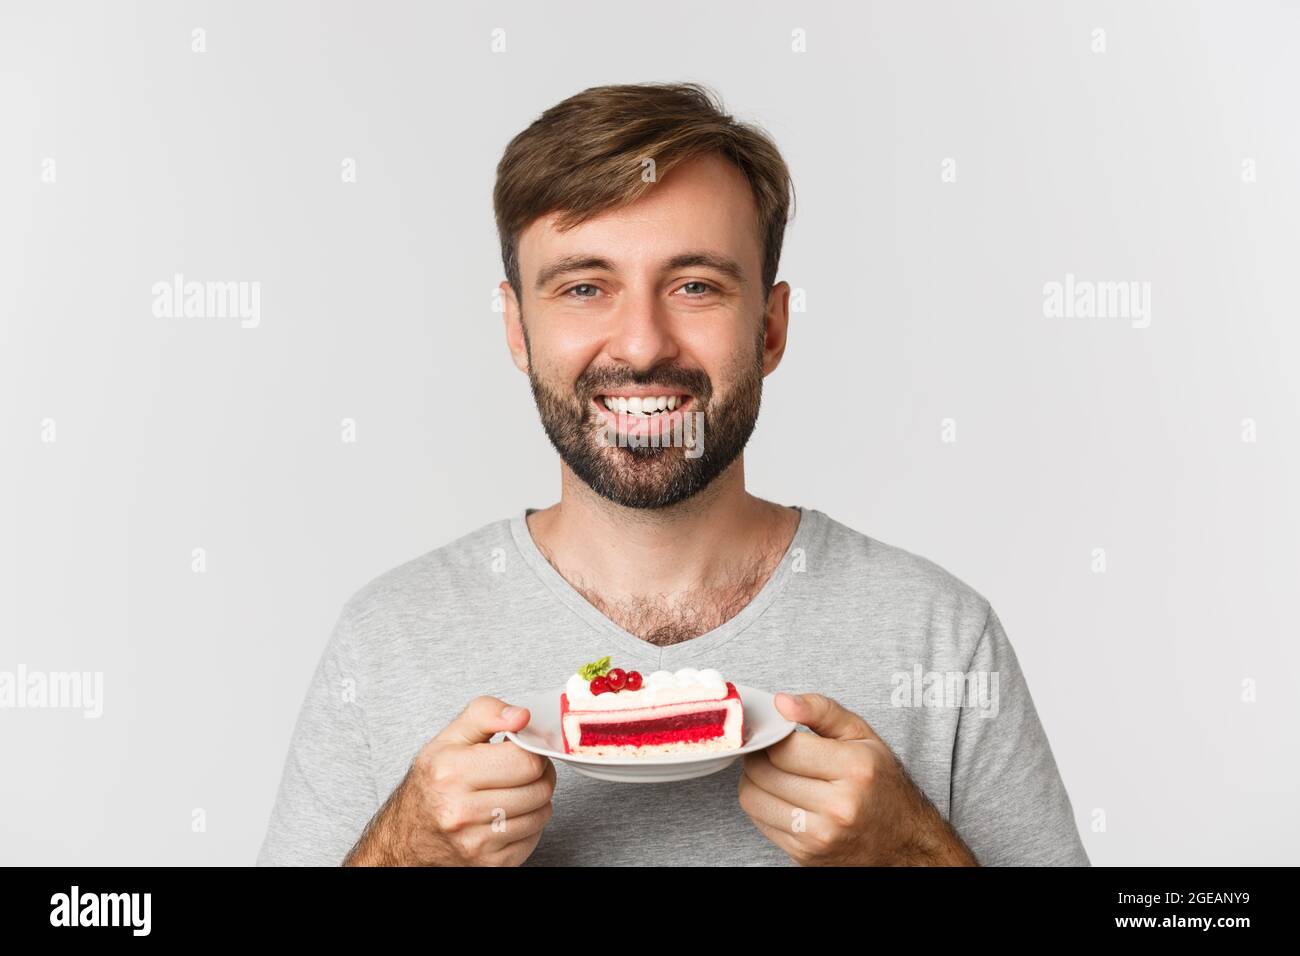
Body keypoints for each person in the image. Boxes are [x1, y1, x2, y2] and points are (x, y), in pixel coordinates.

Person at [256, 82, 1089, 866]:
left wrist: (913, 856)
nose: (643, 343)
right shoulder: (388, 636)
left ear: (770, 326)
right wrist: (402, 854)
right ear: (518, 331)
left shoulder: (939, 634)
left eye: (695, 285)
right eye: (585, 287)